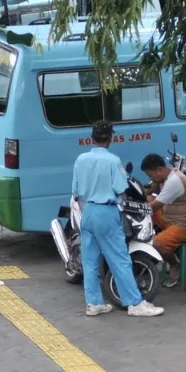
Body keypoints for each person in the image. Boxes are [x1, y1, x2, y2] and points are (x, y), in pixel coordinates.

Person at [72, 121, 165, 318]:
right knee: (120, 259)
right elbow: (122, 190)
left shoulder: (81, 159)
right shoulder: (113, 161)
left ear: (92, 138)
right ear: (110, 139)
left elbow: (77, 191)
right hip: (106, 212)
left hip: (87, 211)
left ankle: (94, 303)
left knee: (90, 261)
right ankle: (135, 303)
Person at [141, 153, 186, 287]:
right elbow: (148, 192)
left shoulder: (174, 181)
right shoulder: (165, 178)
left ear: (159, 170)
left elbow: (154, 206)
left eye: (151, 175)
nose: (151, 179)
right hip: (170, 219)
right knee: (149, 199)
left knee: (157, 243)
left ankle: (175, 264)